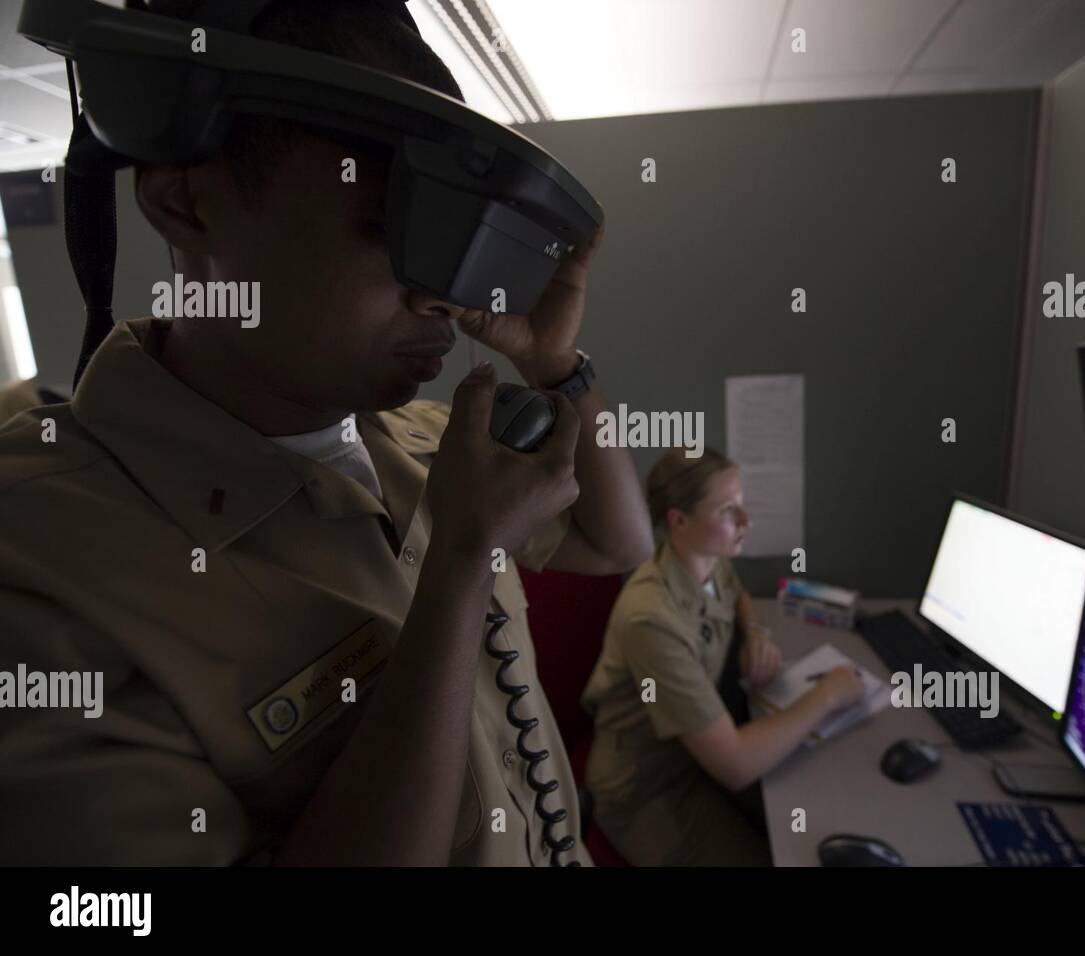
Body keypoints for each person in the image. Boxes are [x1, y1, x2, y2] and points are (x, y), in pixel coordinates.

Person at [0, 0, 653, 866]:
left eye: (448, 242)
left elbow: (616, 546)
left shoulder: (418, 444)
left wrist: (558, 368)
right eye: (390, 228)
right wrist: (458, 567)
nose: (438, 295)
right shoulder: (39, 567)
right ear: (186, 201)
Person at [580, 447, 866, 865]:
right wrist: (828, 695)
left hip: (699, 751)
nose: (746, 522)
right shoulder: (651, 618)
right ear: (678, 520)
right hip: (650, 786)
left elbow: (739, 596)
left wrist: (755, 634)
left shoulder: (705, 558)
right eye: (729, 510)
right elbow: (735, 764)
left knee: (816, 811)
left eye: (743, 505)